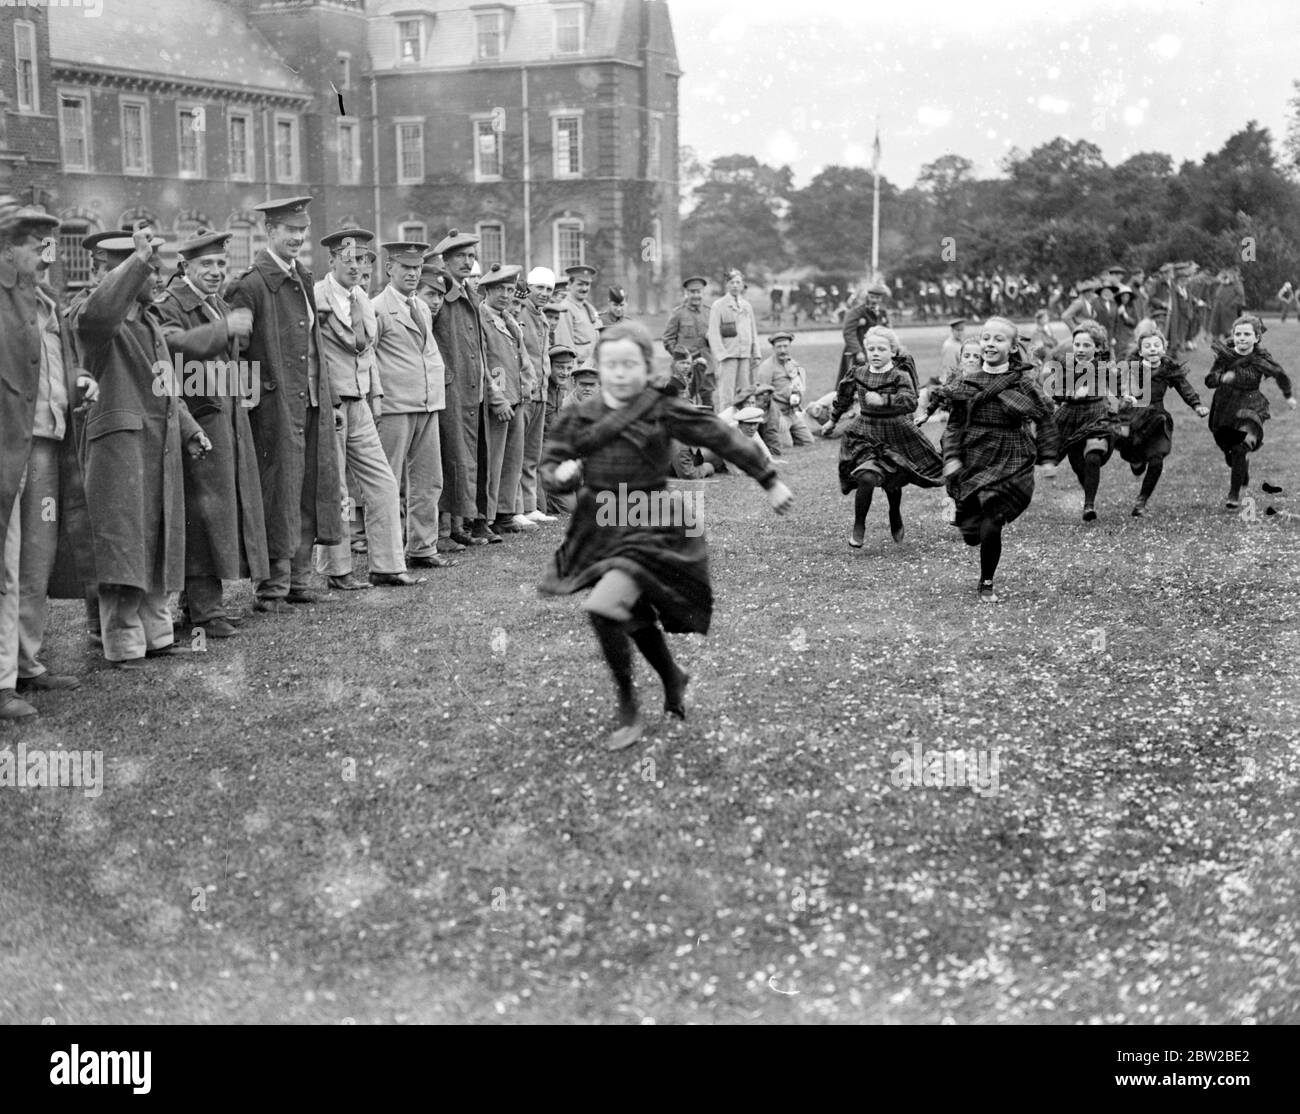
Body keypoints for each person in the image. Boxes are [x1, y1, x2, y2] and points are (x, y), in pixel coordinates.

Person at [539, 321, 794, 751]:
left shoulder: (660, 407)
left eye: (630, 364)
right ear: (598, 368)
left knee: (604, 607)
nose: (620, 373)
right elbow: (550, 465)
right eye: (611, 365)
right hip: (600, 523)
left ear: (646, 367)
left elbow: (721, 436)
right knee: (629, 609)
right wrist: (561, 476)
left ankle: (628, 705)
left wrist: (768, 479)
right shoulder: (579, 415)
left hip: (653, 520)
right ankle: (673, 678)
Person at [77, 228, 212, 667]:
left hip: (156, 447)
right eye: (147, 271)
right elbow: (100, 313)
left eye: (152, 269)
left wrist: (190, 429)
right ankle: (122, 640)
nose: (156, 278)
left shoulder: (150, 321)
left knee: (154, 538)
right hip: (118, 450)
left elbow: (167, 385)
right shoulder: (94, 316)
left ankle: (156, 629)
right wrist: (133, 264)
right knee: (122, 543)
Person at [226, 197, 342, 612]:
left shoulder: (303, 277)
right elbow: (233, 351)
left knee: (310, 487)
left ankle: (300, 578)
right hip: (273, 411)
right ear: (270, 231)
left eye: (302, 231)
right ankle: (272, 587)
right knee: (278, 493)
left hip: (311, 403)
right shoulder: (251, 284)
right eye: (290, 230)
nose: (297, 237)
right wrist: (254, 402)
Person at [154, 228, 269, 635]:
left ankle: (199, 604)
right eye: (207, 264)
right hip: (195, 422)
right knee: (202, 515)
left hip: (221, 418)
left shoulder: (215, 303)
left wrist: (244, 389)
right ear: (185, 266)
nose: (217, 271)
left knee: (216, 514)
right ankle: (206, 611)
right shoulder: (171, 303)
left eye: (221, 264)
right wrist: (224, 331)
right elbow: (169, 347)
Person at [0, 203, 81, 715]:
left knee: (36, 560)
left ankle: (27, 663)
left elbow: (53, 371)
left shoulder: (47, 303)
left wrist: (80, 385)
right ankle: (1, 679)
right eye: (37, 246)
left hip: (48, 443)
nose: (47, 256)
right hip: (9, 448)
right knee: (5, 565)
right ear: (8, 248)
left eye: (50, 245)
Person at [310, 231, 419, 590]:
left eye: (361, 260)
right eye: (349, 258)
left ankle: (387, 566)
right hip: (333, 405)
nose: (356, 266)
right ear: (332, 260)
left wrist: (376, 398)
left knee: (384, 484)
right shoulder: (316, 298)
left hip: (361, 406)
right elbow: (311, 358)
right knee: (336, 489)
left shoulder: (361, 298)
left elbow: (367, 354)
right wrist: (325, 401)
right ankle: (337, 570)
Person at [941, 317, 1059, 601]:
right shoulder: (965, 381)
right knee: (972, 533)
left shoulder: (1023, 383)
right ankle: (968, 522)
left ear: (1013, 346)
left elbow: (1045, 419)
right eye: (986, 338)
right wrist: (953, 456)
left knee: (993, 519)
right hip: (974, 455)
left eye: (998, 339)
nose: (990, 344)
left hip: (1012, 456)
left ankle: (986, 582)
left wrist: (1048, 457)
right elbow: (955, 425)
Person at [372, 251, 456, 570]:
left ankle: (422, 546)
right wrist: (376, 398)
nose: (412, 274)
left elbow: (425, 352)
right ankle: (388, 555)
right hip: (394, 405)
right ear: (389, 268)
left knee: (429, 479)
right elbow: (368, 357)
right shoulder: (378, 308)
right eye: (405, 267)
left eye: (417, 268)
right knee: (387, 482)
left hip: (428, 402)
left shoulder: (421, 306)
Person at [824, 326, 943, 549]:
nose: (875, 353)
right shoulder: (858, 373)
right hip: (865, 431)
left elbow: (910, 401)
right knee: (866, 477)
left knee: (892, 479)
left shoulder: (900, 375)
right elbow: (844, 396)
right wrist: (832, 420)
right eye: (871, 349)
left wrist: (884, 401)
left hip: (896, 431)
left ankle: (894, 513)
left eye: (881, 349)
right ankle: (859, 526)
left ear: (893, 352)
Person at [428, 228, 489, 548]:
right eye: (460, 257)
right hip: (448, 387)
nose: (468, 262)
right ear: (446, 261)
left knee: (464, 455)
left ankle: (459, 525)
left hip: (470, 388)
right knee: (448, 455)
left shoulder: (469, 295)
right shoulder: (439, 293)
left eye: (471, 256)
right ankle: (443, 530)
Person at [1116, 329, 1209, 517]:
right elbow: (1119, 384)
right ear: (1140, 351)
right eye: (1147, 346)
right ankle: (1135, 461)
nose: (1152, 349)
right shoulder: (1131, 367)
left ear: (1164, 348)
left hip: (1157, 416)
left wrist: (1196, 404)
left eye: (1157, 345)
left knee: (1157, 458)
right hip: (1133, 415)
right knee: (1130, 451)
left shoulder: (1168, 368)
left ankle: (1141, 502)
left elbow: (1184, 387)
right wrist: (1124, 395)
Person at [1205, 314, 1295, 508]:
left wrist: (1288, 396)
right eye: (1238, 334)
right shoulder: (1225, 355)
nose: (1242, 338)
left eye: (1247, 334)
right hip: (1224, 406)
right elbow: (1209, 380)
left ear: (1256, 337)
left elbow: (1280, 375)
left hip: (1251, 405)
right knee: (1227, 446)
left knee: (1240, 447)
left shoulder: (1261, 359)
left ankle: (1233, 494)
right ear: (1233, 336)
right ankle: (1239, 465)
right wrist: (1222, 378)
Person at [476, 263, 535, 538]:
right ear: (487, 290)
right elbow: (484, 363)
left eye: (510, 289)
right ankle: (485, 517)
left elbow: (523, 359)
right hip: (498, 401)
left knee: (512, 460)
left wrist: (527, 387)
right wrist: (495, 398)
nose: (505, 294)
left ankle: (504, 512)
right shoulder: (481, 317)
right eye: (499, 288)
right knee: (493, 460)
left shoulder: (509, 320)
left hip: (517, 397)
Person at [1049, 320, 1126, 521]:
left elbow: (1119, 388)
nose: (1080, 349)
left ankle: (1088, 506)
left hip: (1098, 414)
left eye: (1086, 345)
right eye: (1077, 345)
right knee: (1078, 464)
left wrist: (1124, 395)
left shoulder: (1105, 367)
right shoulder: (1065, 366)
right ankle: (1088, 490)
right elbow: (1055, 392)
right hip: (1070, 418)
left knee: (1093, 455)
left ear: (1098, 347)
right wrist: (1072, 394)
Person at [514, 267, 557, 525]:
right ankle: (517, 508)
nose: (544, 293)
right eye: (539, 287)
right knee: (517, 455)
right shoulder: (521, 313)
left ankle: (530, 506)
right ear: (528, 287)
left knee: (532, 454)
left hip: (541, 393)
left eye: (549, 289)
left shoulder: (542, 318)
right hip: (525, 394)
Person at [707, 269, 761, 413]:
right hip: (728, 355)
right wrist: (721, 354)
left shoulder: (747, 306)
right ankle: (726, 423)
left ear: (742, 285)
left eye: (738, 282)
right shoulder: (719, 305)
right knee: (727, 393)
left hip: (745, 355)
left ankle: (745, 421)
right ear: (726, 285)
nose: (735, 286)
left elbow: (752, 330)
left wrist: (756, 353)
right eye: (732, 282)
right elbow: (713, 333)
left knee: (745, 392)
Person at [754, 331, 812, 451]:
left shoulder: (794, 364)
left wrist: (798, 398)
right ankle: (768, 434)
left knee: (808, 441)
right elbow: (763, 398)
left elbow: (800, 386)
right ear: (773, 348)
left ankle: (790, 432)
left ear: (790, 346)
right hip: (777, 414)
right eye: (779, 347)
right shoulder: (766, 367)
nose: (782, 350)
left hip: (791, 412)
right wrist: (777, 416)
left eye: (785, 346)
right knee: (786, 445)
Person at [662, 275, 714, 409]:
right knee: (683, 401)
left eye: (699, 292)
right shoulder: (678, 313)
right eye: (692, 292)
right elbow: (668, 338)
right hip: (685, 368)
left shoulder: (710, 312)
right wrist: (680, 356)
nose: (696, 295)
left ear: (703, 293)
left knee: (708, 400)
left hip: (706, 365)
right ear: (686, 293)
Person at [838, 282, 891, 383]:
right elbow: (848, 332)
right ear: (868, 296)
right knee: (852, 385)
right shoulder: (858, 311)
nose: (874, 300)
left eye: (877, 298)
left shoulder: (883, 312)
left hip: (877, 351)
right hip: (859, 353)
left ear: (881, 299)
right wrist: (857, 351)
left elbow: (888, 332)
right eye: (872, 297)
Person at [554, 263, 602, 368]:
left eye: (587, 284)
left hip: (594, 368)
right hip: (579, 371)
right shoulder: (565, 309)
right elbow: (565, 347)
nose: (585, 288)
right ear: (570, 284)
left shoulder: (589, 308)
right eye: (580, 284)